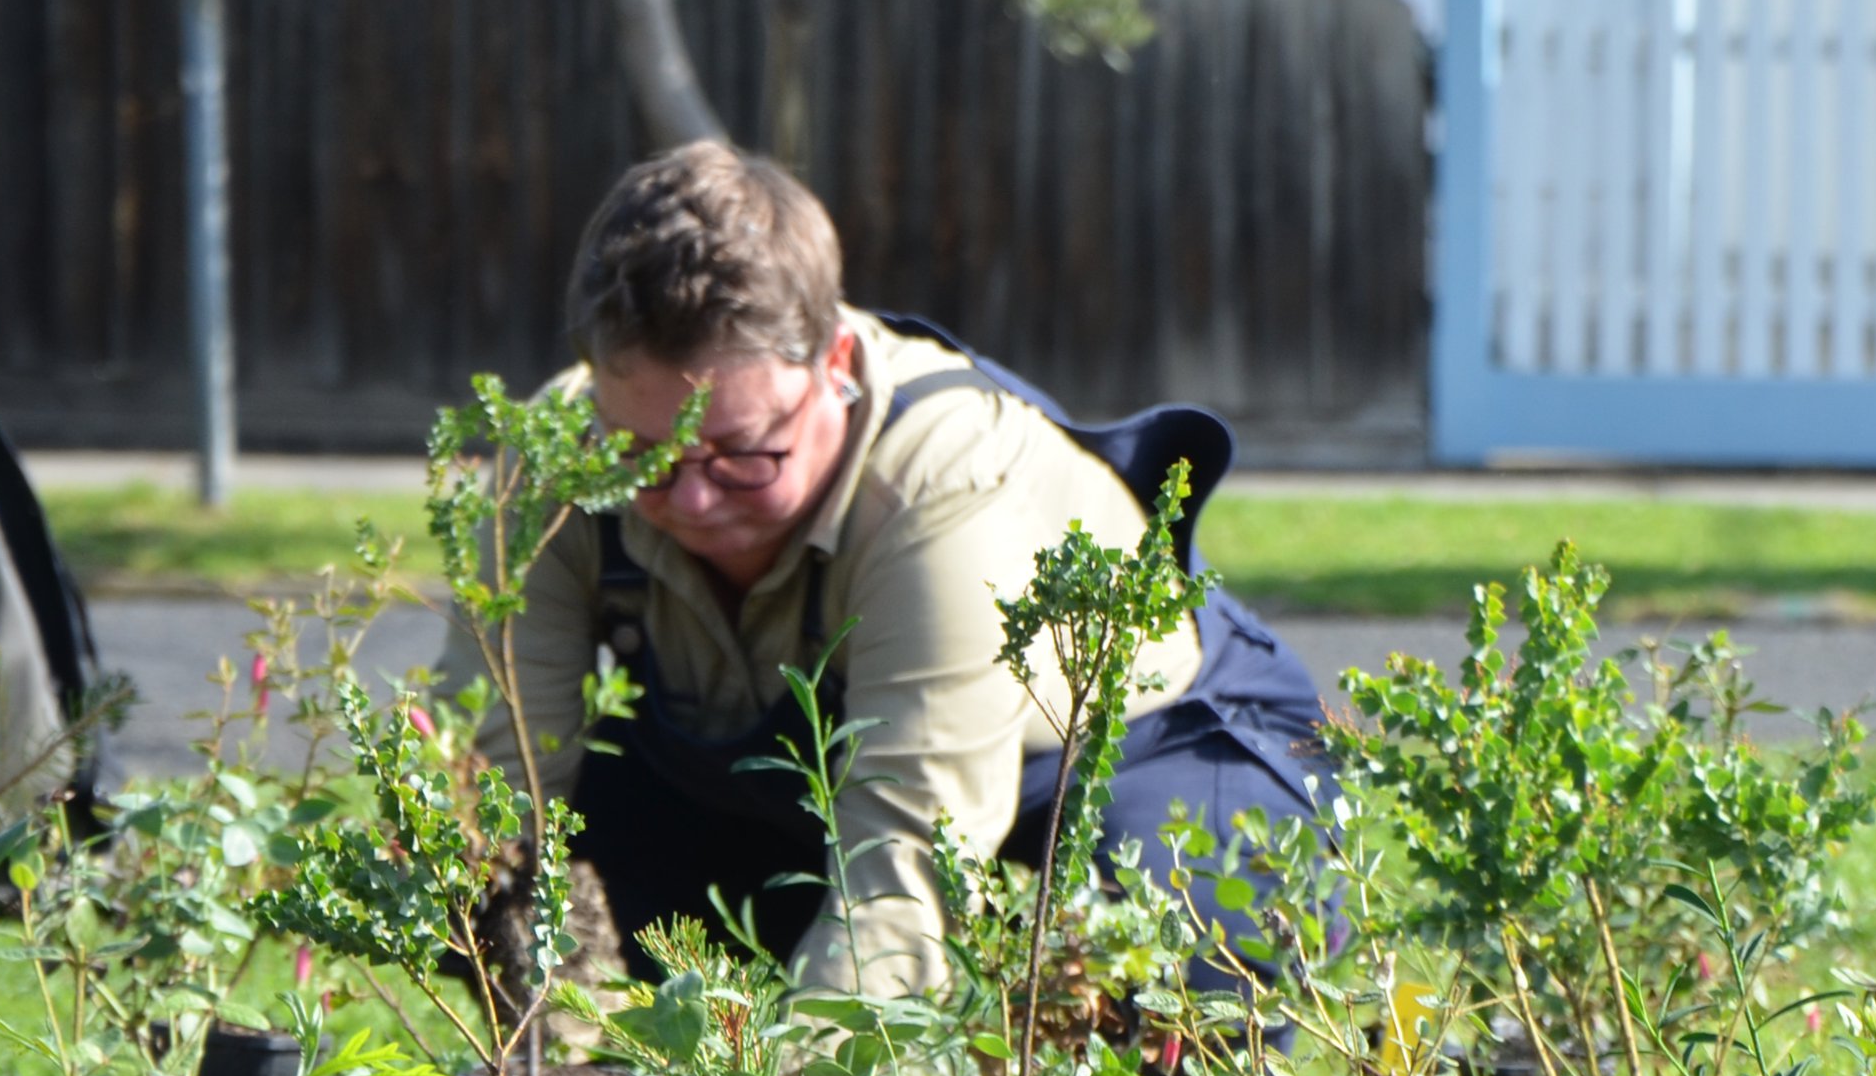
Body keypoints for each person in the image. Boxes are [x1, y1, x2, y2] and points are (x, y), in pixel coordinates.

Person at [452, 141, 1335, 996]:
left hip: (1125, 758)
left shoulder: (944, 482)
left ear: (834, 365)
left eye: (742, 453)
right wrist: (552, 1041)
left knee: (1186, 930)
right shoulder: (557, 457)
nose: (691, 499)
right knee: (485, 862)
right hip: (796, 793)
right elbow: (498, 798)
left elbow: (906, 868)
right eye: (640, 454)